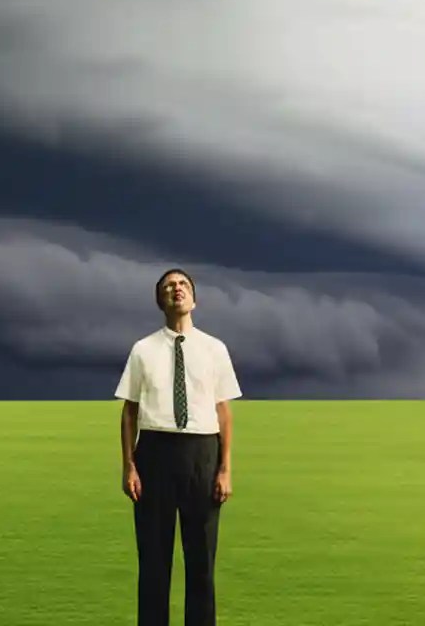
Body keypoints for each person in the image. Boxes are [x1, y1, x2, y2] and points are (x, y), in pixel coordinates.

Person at [115, 267, 243, 626]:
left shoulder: (214, 349)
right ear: (161, 300)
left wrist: (225, 468)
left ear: (194, 299)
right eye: (169, 286)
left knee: (201, 561)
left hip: (202, 455)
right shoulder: (142, 350)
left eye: (183, 284)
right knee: (154, 562)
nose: (177, 289)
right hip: (154, 454)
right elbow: (129, 412)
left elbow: (224, 411)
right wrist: (129, 465)